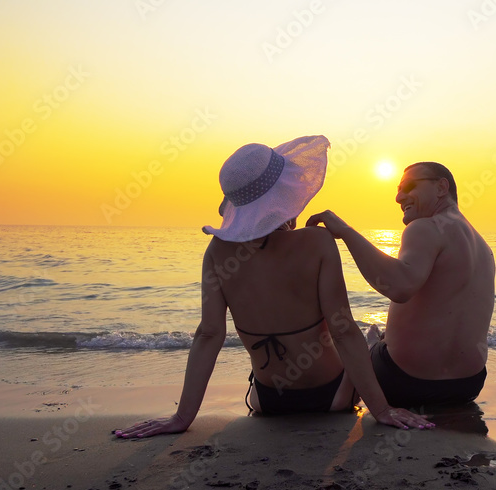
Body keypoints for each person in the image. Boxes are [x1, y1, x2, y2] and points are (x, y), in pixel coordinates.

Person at [115, 137, 433, 438]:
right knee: (366, 338)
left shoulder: (217, 252)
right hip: (332, 397)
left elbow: (209, 334)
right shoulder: (318, 242)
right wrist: (382, 409)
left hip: (269, 402)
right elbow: (342, 329)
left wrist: (182, 418)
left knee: (264, 376)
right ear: (284, 195)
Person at [306, 161, 495, 409]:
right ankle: (376, 343)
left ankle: (345, 397)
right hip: (467, 385)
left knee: (356, 346)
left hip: (404, 382)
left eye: (410, 187)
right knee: (379, 338)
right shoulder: (484, 248)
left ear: (441, 187)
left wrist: (345, 232)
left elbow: (399, 287)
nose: (398, 197)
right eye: (398, 190)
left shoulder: (426, 227)